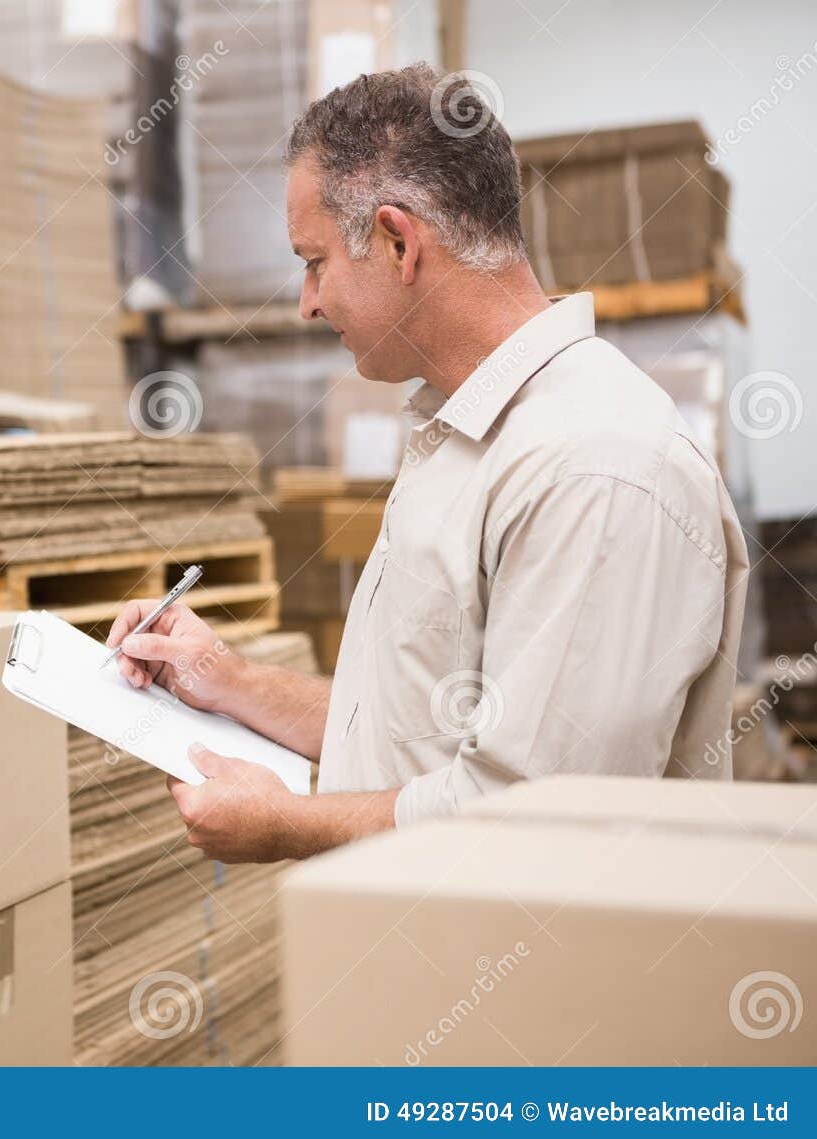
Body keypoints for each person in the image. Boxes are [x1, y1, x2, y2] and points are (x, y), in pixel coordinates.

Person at [107, 65, 747, 863]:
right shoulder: (468, 435)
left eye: (314, 262)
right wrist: (222, 676)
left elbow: (535, 819)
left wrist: (284, 825)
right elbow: (414, 725)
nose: (308, 302)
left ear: (398, 242)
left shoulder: (594, 468)